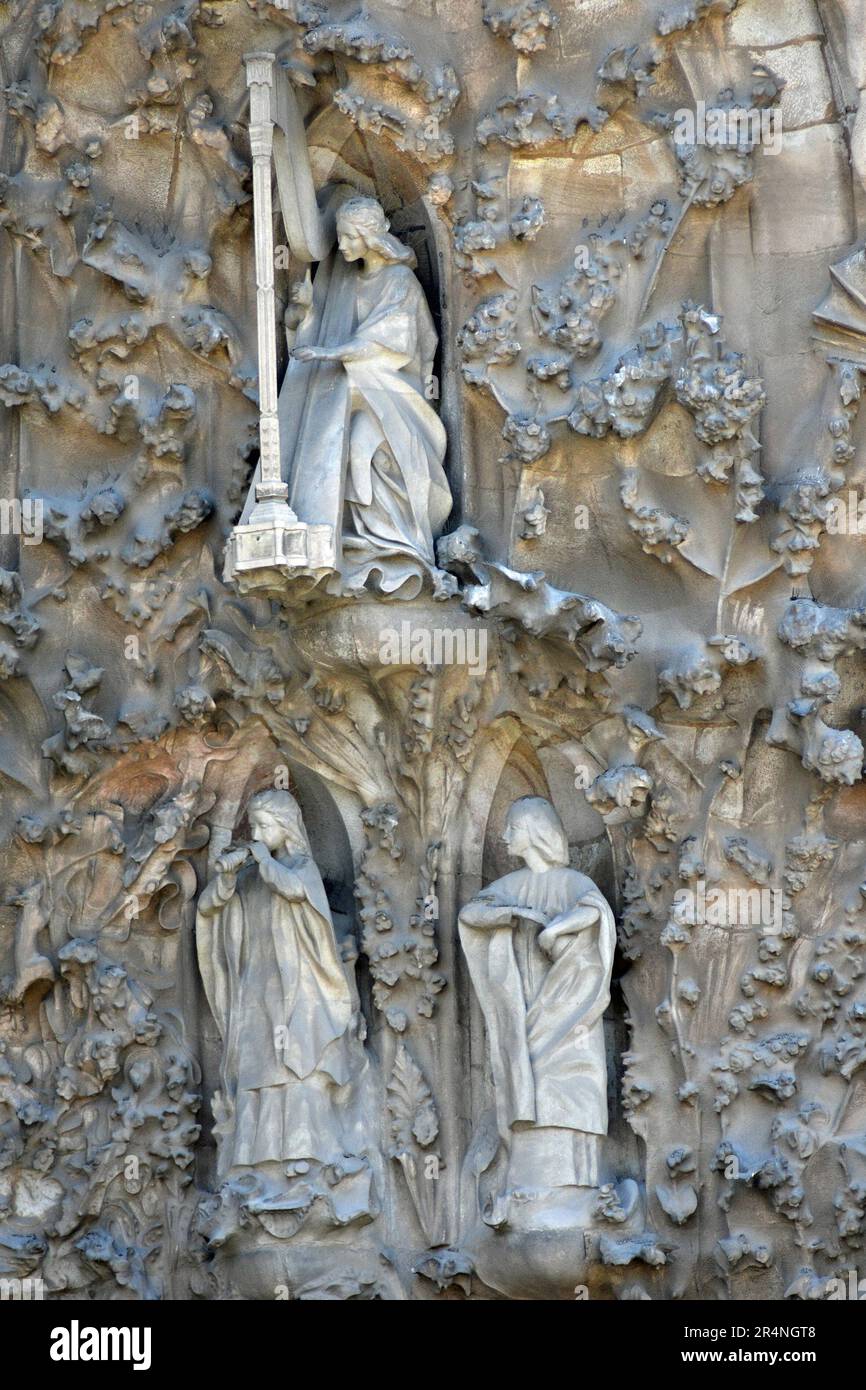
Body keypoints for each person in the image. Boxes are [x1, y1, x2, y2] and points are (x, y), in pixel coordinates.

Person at [459, 796, 615, 1217]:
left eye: (513, 827)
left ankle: (577, 1189)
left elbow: (596, 913)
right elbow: (472, 914)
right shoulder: (510, 886)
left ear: (533, 831)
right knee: (529, 1084)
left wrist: (554, 930)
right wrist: (516, 914)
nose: (506, 836)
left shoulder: (570, 881)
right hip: (527, 1009)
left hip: (568, 1009)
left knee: (568, 1088)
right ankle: (529, 1188)